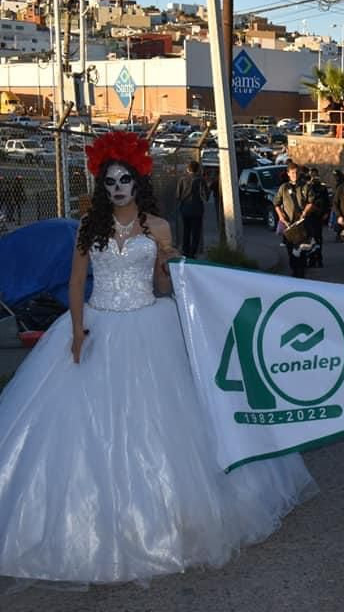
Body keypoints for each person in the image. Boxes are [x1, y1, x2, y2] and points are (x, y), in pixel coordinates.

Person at [0, 132, 316, 585]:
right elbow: (76, 282)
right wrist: (76, 330)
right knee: (80, 426)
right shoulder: (89, 226)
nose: (117, 188)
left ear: (138, 181)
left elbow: (162, 287)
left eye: (124, 180)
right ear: (102, 185)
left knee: (163, 424)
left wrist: (168, 268)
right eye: (110, 181)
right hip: (98, 325)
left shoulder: (159, 228)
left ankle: (172, 523)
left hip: (150, 327)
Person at [273, 162, 317, 278]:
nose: (295, 175)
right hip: (289, 225)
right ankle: (294, 272)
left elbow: (311, 202)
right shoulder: (283, 188)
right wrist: (281, 216)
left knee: (302, 249)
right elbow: (276, 204)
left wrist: (305, 212)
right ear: (288, 173)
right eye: (292, 173)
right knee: (291, 250)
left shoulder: (305, 186)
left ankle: (301, 272)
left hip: (302, 224)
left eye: (297, 172)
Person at [175, 160, 208, 258]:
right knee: (196, 232)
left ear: (187, 169)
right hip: (197, 210)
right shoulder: (201, 180)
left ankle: (185, 251)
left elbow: (178, 195)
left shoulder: (182, 179)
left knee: (186, 230)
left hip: (185, 209)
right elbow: (206, 196)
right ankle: (193, 253)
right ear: (197, 169)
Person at [306, 167, 331, 268]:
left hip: (318, 215)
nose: (314, 177)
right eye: (312, 175)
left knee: (318, 238)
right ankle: (311, 259)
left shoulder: (322, 188)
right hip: (309, 215)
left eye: (315, 175)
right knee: (310, 238)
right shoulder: (307, 187)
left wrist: (326, 213)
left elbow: (327, 201)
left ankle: (319, 259)